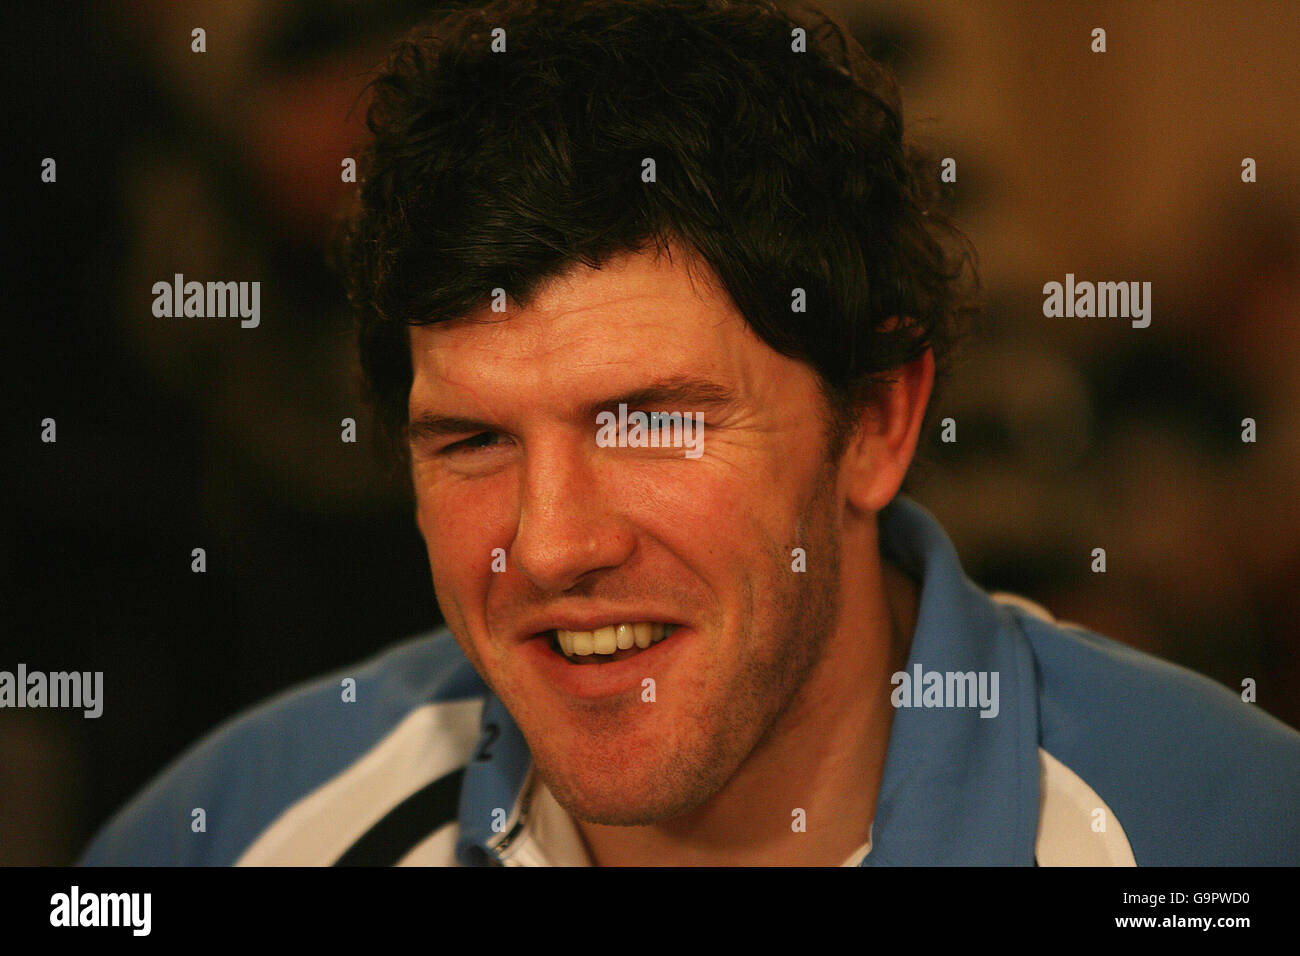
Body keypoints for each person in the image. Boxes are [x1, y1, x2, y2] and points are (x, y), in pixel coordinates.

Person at [80, 0, 1299, 867]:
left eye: (651, 421)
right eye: (471, 442)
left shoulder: (1224, 827)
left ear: (875, 423)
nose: (550, 545)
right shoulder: (237, 831)